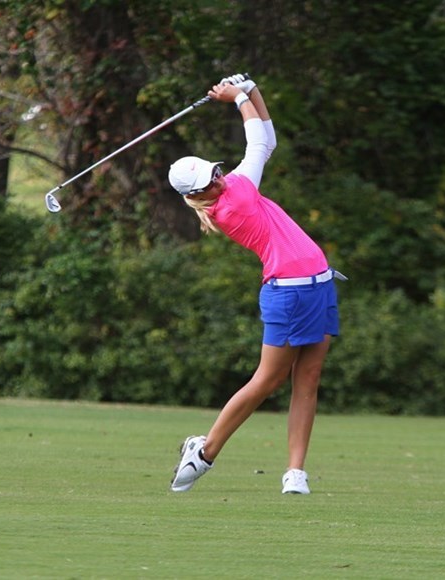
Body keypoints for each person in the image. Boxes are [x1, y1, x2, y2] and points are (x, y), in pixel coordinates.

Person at [167, 74, 343, 495]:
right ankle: (204, 450)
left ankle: (295, 473)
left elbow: (268, 141)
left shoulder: (234, 186)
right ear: (197, 196)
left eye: (215, 171)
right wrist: (239, 96)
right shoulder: (234, 202)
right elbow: (259, 145)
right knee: (268, 380)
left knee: (309, 377)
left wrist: (252, 91)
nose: (218, 178)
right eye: (209, 182)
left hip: (318, 284)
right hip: (288, 292)